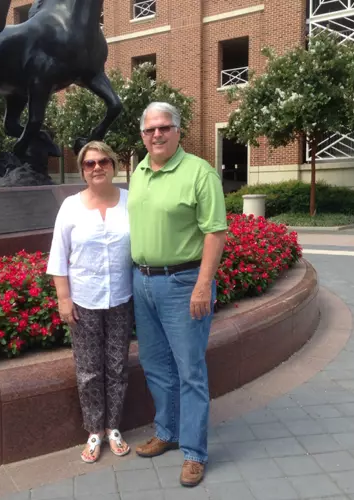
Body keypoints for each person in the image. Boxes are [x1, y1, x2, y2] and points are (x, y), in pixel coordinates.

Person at [128, 102, 227, 487]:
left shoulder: (199, 172)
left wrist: (203, 284)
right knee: (155, 365)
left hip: (184, 283)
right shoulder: (136, 171)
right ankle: (167, 432)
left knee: (189, 371)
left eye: (164, 128)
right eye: (150, 129)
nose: (157, 134)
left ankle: (194, 453)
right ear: (142, 134)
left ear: (178, 131)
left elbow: (215, 231)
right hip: (143, 281)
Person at [46, 141, 133, 463]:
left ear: (114, 165)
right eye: (89, 163)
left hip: (121, 299)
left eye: (103, 161)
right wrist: (63, 299)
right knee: (88, 371)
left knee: (117, 367)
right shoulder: (70, 206)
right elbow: (59, 256)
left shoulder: (130, 201)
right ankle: (94, 430)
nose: (97, 167)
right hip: (83, 301)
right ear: (83, 170)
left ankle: (113, 427)